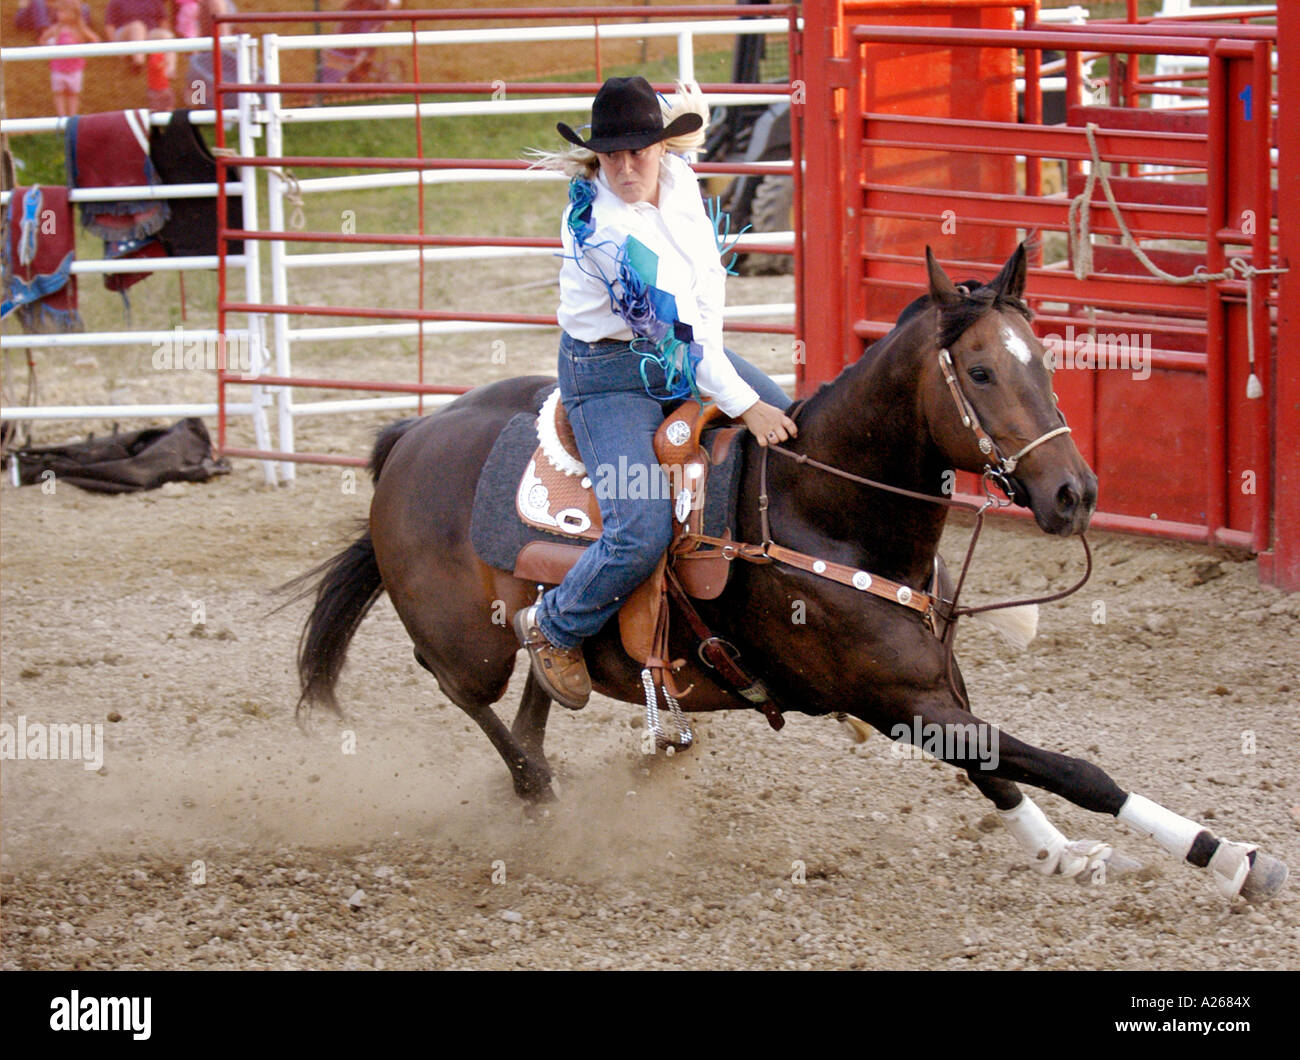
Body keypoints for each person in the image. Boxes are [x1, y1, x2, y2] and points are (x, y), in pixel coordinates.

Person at [514, 76, 798, 709]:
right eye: (610, 155)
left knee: (792, 437)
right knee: (638, 528)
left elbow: (704, 303)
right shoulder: (605, 234)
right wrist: (740, 401)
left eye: (638, 151)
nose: (623, 167)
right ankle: (554, 626)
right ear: (596, 158)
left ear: (663, 151)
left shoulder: (680, 183)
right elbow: (679, 330)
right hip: (607, 376)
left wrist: (740, 388)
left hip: (688, 355)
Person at [40, 0, 100, 118]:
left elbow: (95, 39)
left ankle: (72, 117)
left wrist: (84, 50)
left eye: (62, 12)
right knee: (58, 93)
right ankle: (61, 117)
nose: (59, 14)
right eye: (58, 11)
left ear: (73, 13)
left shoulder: (80, 29)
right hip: (58, 68)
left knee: (73, 94)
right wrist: (49, 47)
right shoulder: (56, 28)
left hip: (75, 69)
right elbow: (42, 39)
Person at [105, 0, 171, 72]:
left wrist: (164, 31)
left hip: (148, 33)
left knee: (166, 35)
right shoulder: (116, 1)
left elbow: (163, 20)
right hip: (125, 34)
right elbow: (109, 25)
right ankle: (138, 62)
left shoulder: (155, 1)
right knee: (137, 26)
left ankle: (169, 71)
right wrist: (114, 46)